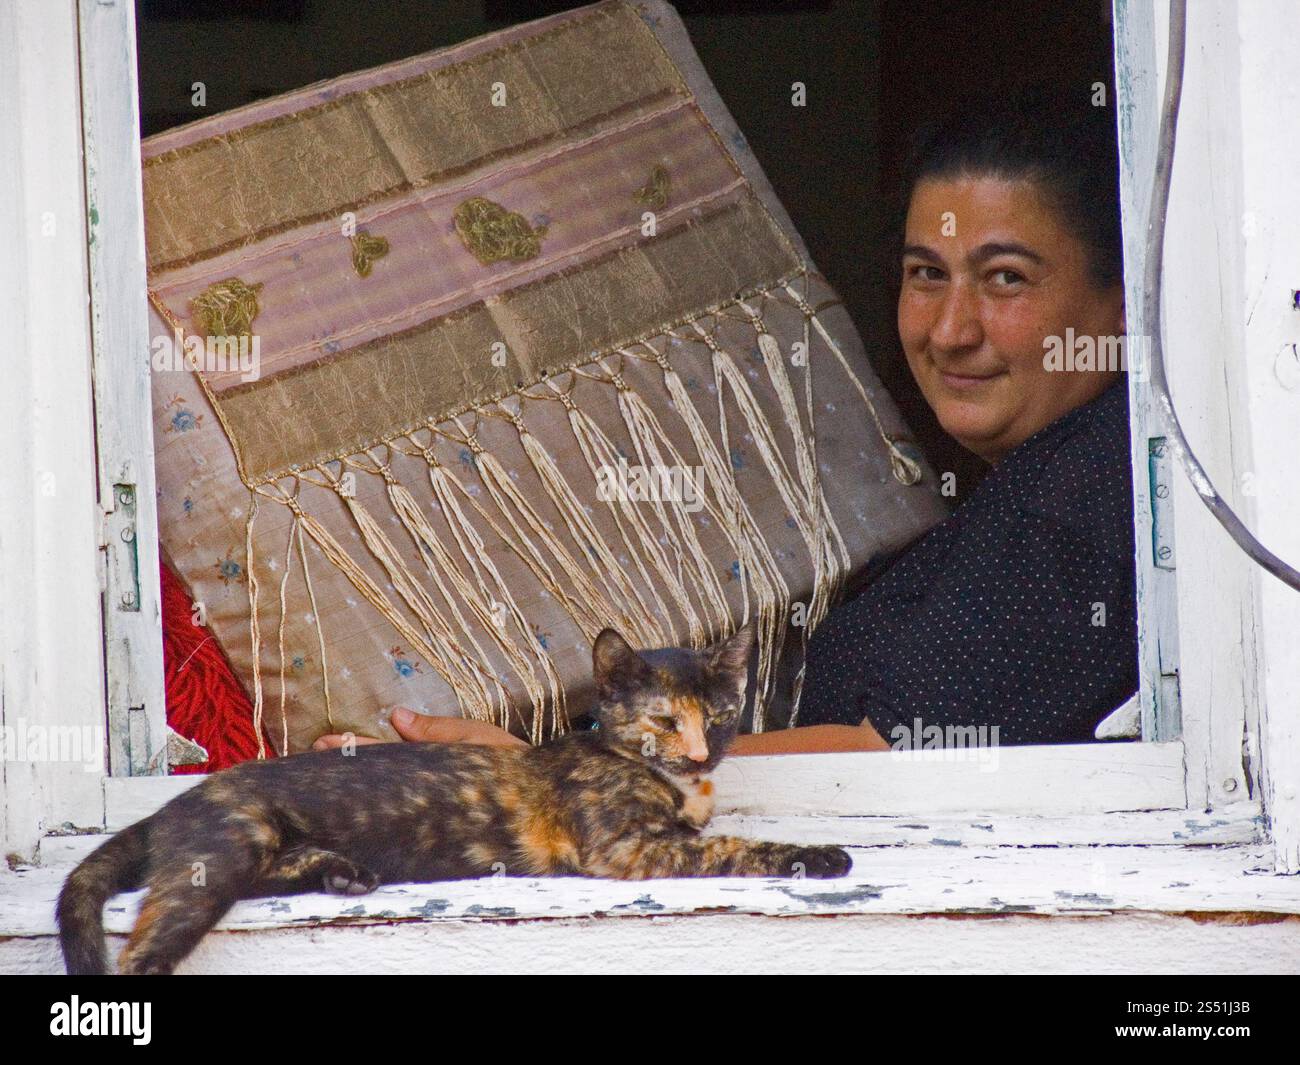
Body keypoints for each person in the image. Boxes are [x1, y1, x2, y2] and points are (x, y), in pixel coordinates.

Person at [315, 84, 1138, 757]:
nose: (950, 328)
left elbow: (886, 765)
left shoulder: (1088, 498)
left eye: (1004, 279)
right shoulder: (1041, 482)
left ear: (1123, 294)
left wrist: (544, 772)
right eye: (926, 274)